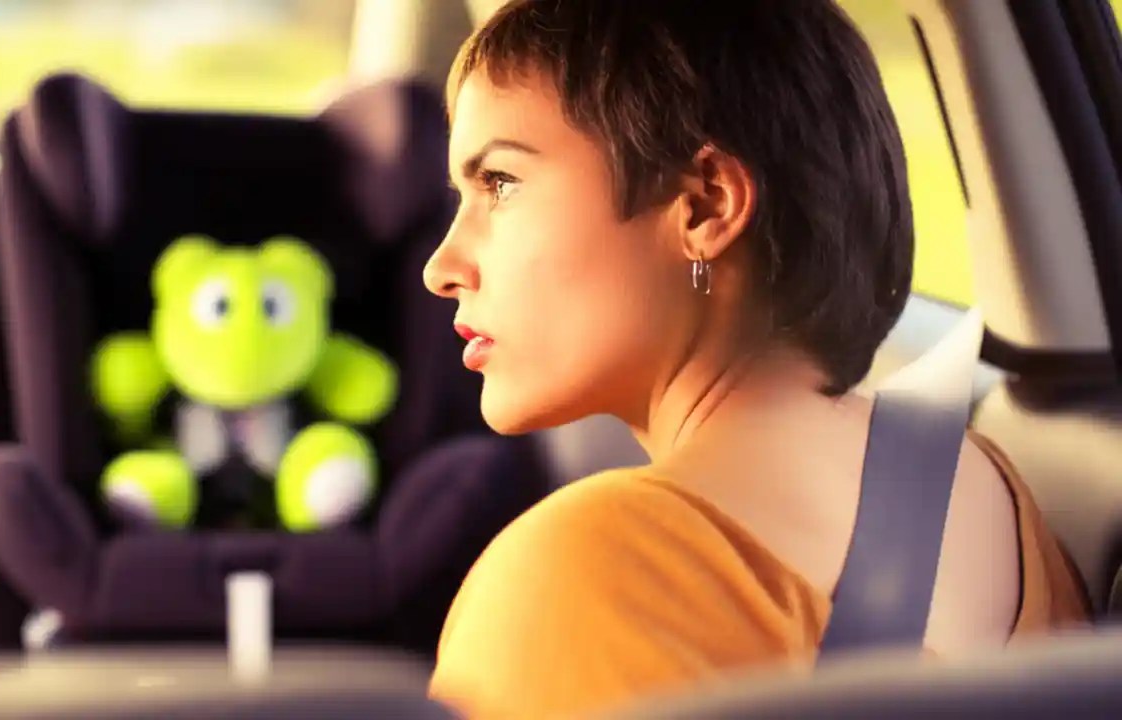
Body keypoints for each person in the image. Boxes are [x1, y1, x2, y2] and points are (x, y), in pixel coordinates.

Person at [420, 1, 1090, 718]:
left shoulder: (579, 578)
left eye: (500, 183)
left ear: (706, 206)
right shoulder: (987, 486)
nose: (440, 268)